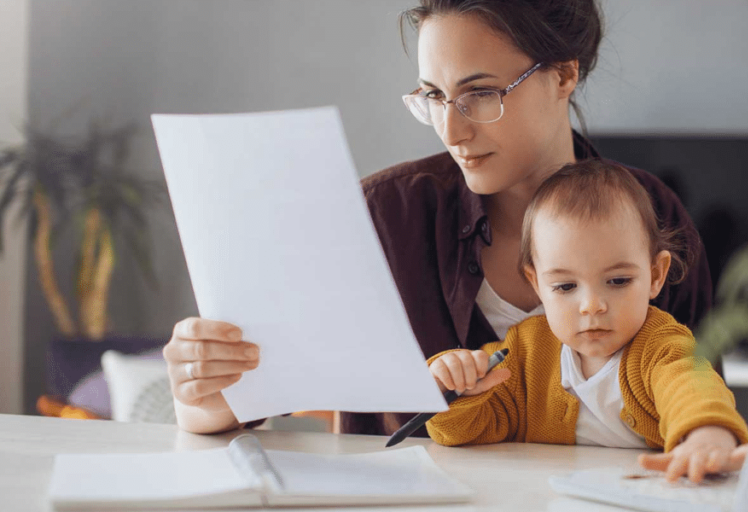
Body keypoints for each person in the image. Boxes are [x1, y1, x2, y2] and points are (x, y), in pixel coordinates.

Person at [163, 0, 715, 439]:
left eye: (479, 94)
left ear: (565, 74)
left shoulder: (655, 216)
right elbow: (243, 403)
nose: (451, 132)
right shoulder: (384, 217)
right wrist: (203, 396)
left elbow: (700, 399)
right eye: (433, 97)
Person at [425, 160, 748, 483]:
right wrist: (455, 387)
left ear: (655, 275)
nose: (592, 306)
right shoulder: (523, 353)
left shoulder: (662, 347)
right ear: (537, 284)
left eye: (618, 281)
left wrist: (706, 436)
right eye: (566, 286)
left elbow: (693, 391)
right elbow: (462, 432)